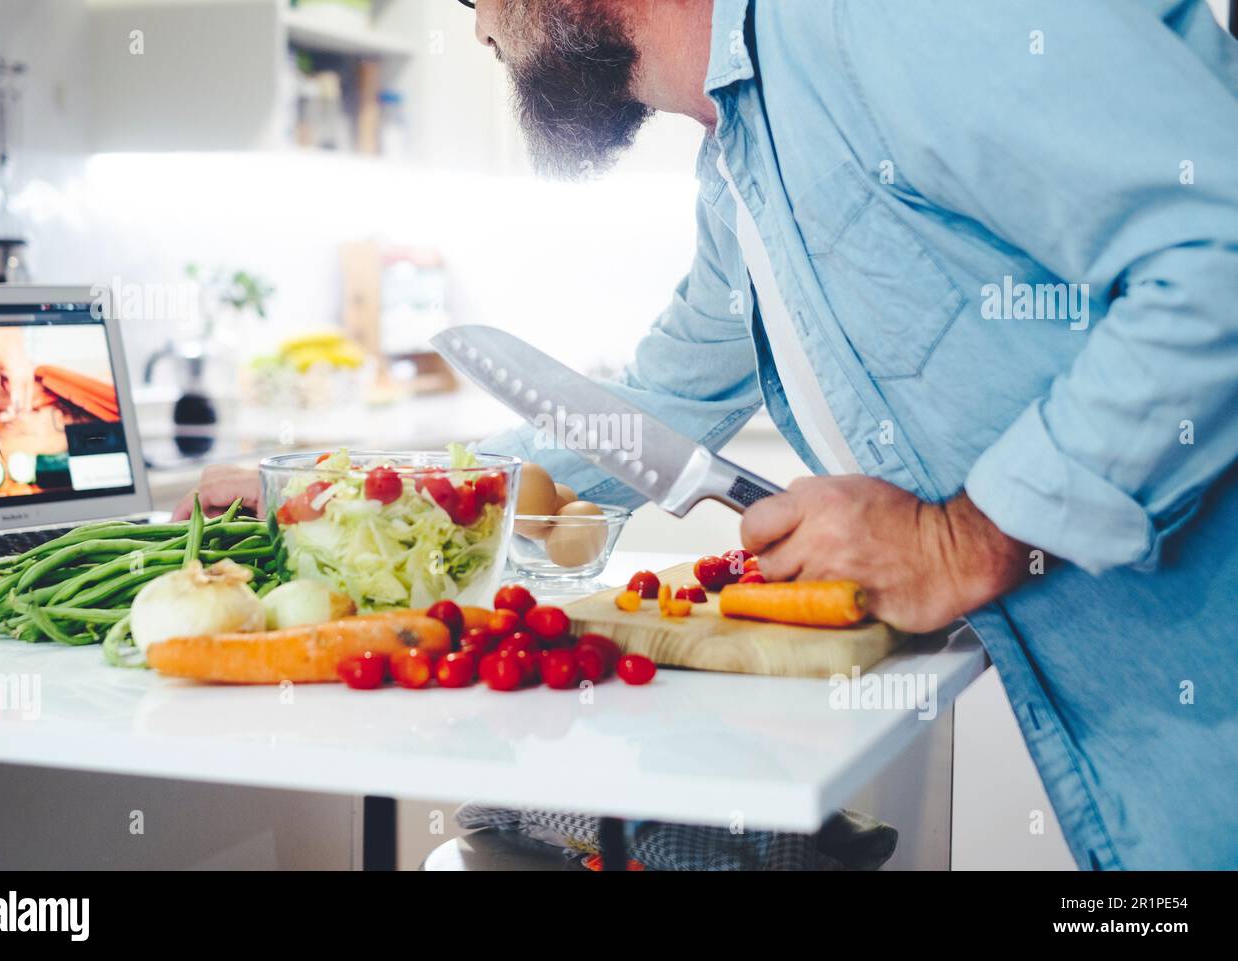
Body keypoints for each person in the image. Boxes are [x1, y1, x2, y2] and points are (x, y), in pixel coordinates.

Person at [178, 0, 1238, 869]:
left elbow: (1216, 256)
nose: (475, 31)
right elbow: (659, 406)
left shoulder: (882, 22)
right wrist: (352, 493)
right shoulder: (746, 149)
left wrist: (955, 542)